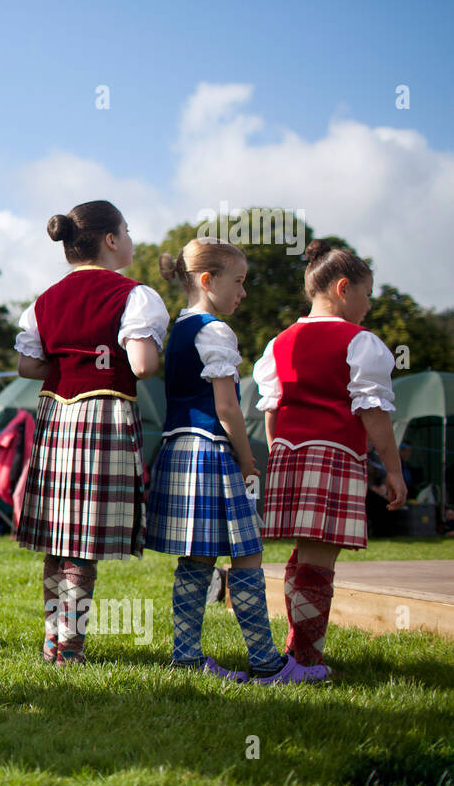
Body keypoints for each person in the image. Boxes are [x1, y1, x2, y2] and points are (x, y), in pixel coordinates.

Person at [146, 239, 307, 682]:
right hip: (210, 450)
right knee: (249, 556)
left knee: (195, 561)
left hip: (177, 448)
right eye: (238, 281)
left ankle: (186, 657)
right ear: (206, 280)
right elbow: (228, 408)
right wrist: (246, 458)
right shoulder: (215, 330)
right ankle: (267, 663)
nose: (244, 292)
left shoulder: (179, 329)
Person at [14, 201, 167, 666]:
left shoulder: (44, 299)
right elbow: (142, 365)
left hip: (56, 414)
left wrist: (69, 360)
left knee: (58, 538)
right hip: (103, 414)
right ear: (111, 240)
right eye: (127, 229)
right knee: (84, 540)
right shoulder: (135, 296)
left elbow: (26, 365)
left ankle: (51, 645)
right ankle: (71, 650)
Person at [254, 239, 405, 674]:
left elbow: (272, 409)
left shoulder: (280, 342)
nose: (368, 305)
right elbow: (373, 412)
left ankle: (297, 651)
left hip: (288, 454)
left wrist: (278, 456)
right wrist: (392, 470)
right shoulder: (360, 342)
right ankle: (304, 661)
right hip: (334, 455)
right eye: (367, 294)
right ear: (344, 288)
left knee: (306, 556)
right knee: (318, 562)